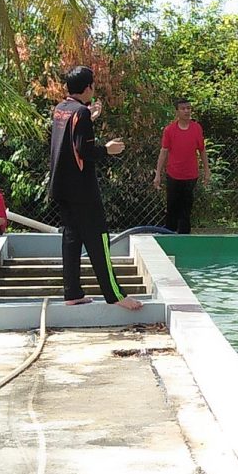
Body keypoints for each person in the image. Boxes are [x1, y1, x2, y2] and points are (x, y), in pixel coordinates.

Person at [49, 66, 144, 309]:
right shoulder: (80, 113)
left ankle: (72, 293)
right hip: (82, 191)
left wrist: (89, 117)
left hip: (61, 187)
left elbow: (72, 134)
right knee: (99, 239)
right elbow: (83, 150)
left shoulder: (61, 110)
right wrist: (108, 149)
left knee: (71, 240)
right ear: (88, 87)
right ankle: (115, 295)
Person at [154, 98, 210, 234]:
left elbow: (202, 150)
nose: (186, 111)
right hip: (173, 174)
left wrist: (207, 171)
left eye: (188, 108)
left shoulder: (196, 128)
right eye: (183, 109)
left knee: (186, 210)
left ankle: (184, 238)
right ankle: (169, 235)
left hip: (191, 175)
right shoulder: (170, 130)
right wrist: (157, 174)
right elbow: (164, 151)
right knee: (172, 208)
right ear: (177, 111)